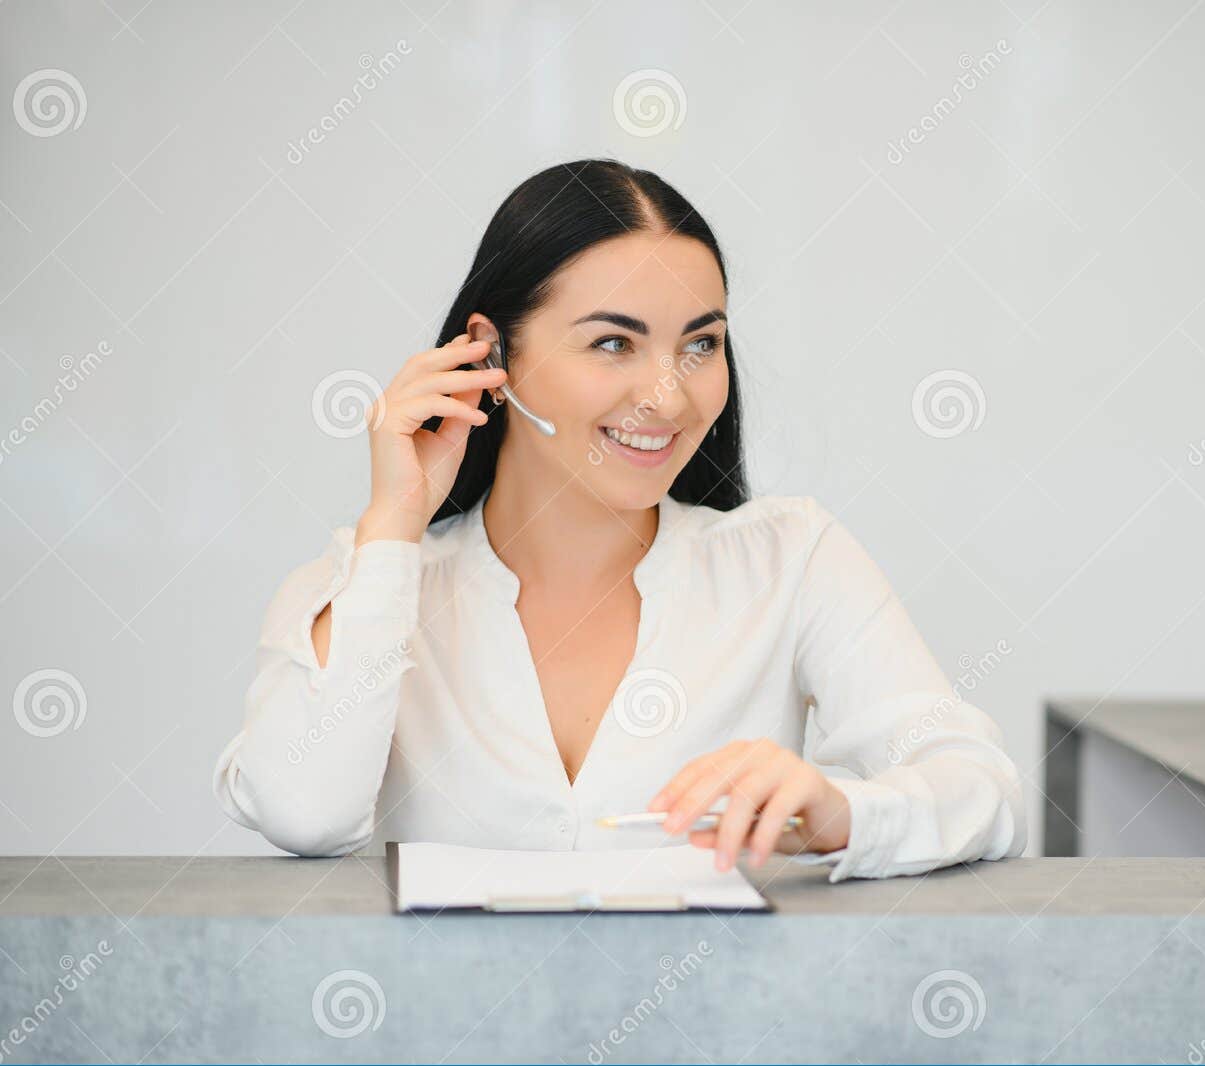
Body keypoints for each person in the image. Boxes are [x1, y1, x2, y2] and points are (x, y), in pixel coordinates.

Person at [212, 158, 1025, 881]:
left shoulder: (789, 560)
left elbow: (982, 791)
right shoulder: (367, 585)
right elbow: (302, 811)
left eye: (700, 346)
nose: (668, 396)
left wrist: (836, 813)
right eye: (612, 344)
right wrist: (393, 521)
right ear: (490, 353)